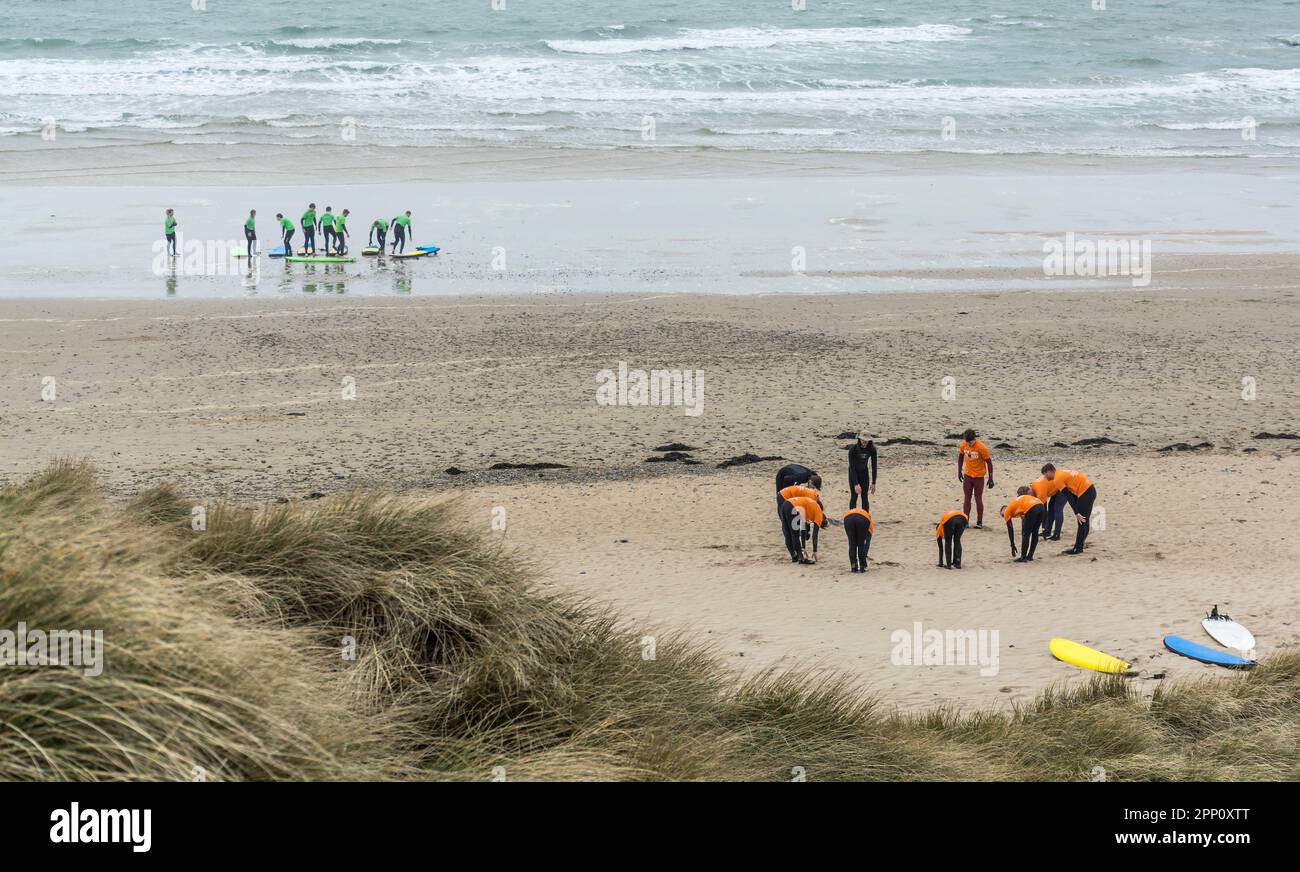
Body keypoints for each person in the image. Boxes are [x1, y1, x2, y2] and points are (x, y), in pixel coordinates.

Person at [1040, 464, 1097, 554]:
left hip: (1085, 492)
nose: (1045, 477)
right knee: (1085, 520)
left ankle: (1078, 548)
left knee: (1081, 521)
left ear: (1050, 471)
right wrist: (1077, 508)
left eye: (1045, 474)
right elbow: (1072, 494)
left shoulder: (1057, 479)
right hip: (1091, 490)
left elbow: (1068, 496)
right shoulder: (1061, 473)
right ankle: (1080, 544)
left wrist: (1076, 512)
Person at [777, 475, 821, 562]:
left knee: (789, 528)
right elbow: (804, 520)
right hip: (787, 500)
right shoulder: (813, 502)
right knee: (793, 531)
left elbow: (803, 516)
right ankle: (800, 557)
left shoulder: (811, 495)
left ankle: (794, 555)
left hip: (785, 500)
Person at [957, 428, 994, 528]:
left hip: (979, 477)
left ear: (974, 439)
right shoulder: (963, 445)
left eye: (971, 442)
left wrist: (991, 478)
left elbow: (989, 462)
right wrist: (959, 470)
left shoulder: (982, 448)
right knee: (967, 499)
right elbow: (960, 457)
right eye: (967, 442)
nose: (969, 444)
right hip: (967, 476)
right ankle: (965, 521)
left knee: (978, 499)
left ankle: (979, 522)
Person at [1002, 487, 1045, 562]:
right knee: (1035, 532)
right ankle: (1030, 556)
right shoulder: (1018, 505)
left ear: (1003, 510)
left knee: (1026, 534)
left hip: (1031, 507)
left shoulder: (1007, 511)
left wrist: (1012, 545)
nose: (1004, 517)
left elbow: (1010, 529)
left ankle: (1023, 557)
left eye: (1002, 515)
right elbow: (1024, 522)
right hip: (1041, 505)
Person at [782, 494, 825, 564]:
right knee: (795, 534)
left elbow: (803, 529)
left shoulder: (809, 508)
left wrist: (803, 548)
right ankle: (801, 558)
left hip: (786, 504)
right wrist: (815, 551)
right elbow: (815, 534)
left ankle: (794, 556)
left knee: (788, 533)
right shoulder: (819, 513)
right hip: (794, 508)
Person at [1029, 472, 1067, 540]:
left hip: (1063, 487)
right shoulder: (1033, 486)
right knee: (1051, 508)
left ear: (1029, 492)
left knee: (1057, 509)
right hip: (1055, 489)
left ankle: (1056, 534)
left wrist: (1043, 528)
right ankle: (1047, 531)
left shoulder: (1040, 492)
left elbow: (1043, 512)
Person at [847, 433, 878, 510]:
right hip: (853, 473)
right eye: (863, 440)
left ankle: (866, 518)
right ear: (859, 439)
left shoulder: (872, 449)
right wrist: (856, 484)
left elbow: (874, 466)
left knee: (864, 496)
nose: (864, 442)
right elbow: (852, 467)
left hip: (864, 473)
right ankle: (852, 517)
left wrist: (873, 482)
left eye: (866, 440)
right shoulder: (853, 449)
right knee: (854, 496)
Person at [843, 507, 874, 573]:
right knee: (861, 544)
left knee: (852, 544)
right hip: (863, 519)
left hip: (848, 518)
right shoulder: (870, 521)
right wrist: (864, 560)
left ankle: (853, 567)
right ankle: (862, 567)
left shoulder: (862, 513)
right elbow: (867, 542)